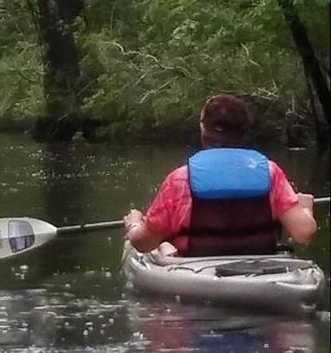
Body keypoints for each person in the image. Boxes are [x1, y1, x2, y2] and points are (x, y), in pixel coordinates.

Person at [123, 94, 317, 257]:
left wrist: (134, 224)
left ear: (203, 129)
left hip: (196, 269)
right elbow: (304, 233)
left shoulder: (180, 179)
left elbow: (144, 243)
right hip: (260, 267)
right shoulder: (270, 172)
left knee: (162, 247)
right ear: (245, 130)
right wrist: (305, 207)